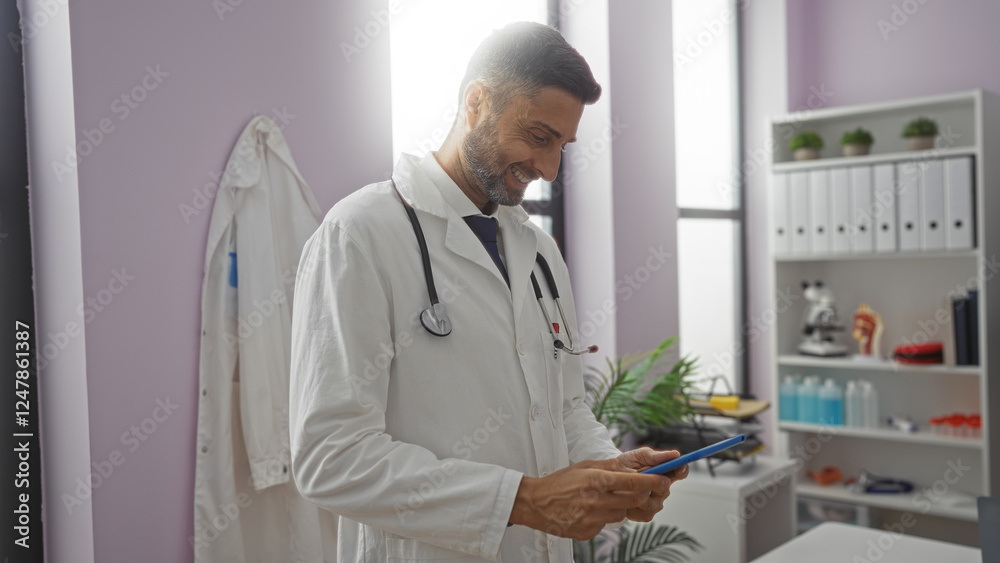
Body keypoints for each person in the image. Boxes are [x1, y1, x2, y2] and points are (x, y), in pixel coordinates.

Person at [289, 21, 686, 562]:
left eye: (563, 146)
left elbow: (563, 407)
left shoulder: (539, 254)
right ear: (476, 102)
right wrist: (525, 501)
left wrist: (605, 469)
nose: (549, 167)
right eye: (539, 137)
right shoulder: (358, 235)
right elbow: (330, 459)